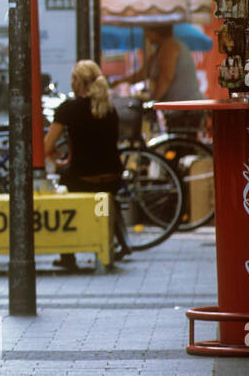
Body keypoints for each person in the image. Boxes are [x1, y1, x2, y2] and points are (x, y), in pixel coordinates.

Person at [45, 60, 124, 271]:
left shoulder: (69, 108)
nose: (71, 82)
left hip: (82, 179)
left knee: (61, 187)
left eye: (73, 78)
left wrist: (57, 158)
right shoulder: (110, 108)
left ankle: (68, 255)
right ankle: (109, 243)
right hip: (113, 178)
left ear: (79, 81)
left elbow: (47, 145)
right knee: (102, 197)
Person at [111, 24, 203, 135]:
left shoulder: (169, 46)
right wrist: (119, 81)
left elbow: (166, 78)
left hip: (185, 109)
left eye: (148, 32)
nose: (146, 36)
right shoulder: (160, 49)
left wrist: (154, 100)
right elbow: (142, 74)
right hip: (177, 109)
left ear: (155, 32)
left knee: (180, 145)